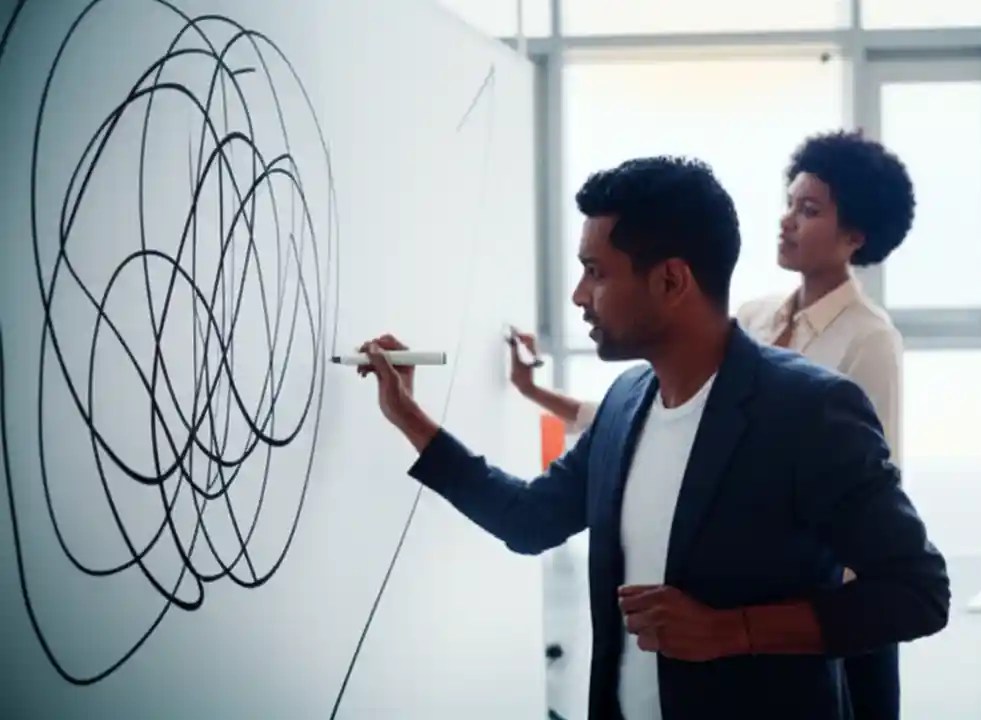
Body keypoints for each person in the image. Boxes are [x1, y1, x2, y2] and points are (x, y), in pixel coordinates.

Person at [360, 155, 949, 719]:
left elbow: (917, 592)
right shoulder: (624, 403)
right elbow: (529, 519)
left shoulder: (811, 412)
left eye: (595, 272)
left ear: (671, 280)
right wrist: (409, 416)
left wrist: (733, 630)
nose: (579, 296)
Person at [508, 129, 914, 718]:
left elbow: (869, 495)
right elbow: (662, 423)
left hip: (818, 613)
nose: (787, 221)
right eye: (789, 203)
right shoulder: (752, 315)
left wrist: (800, 624)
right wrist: (534, 391)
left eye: (810, 210)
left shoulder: (870, 340)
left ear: (855, 235)